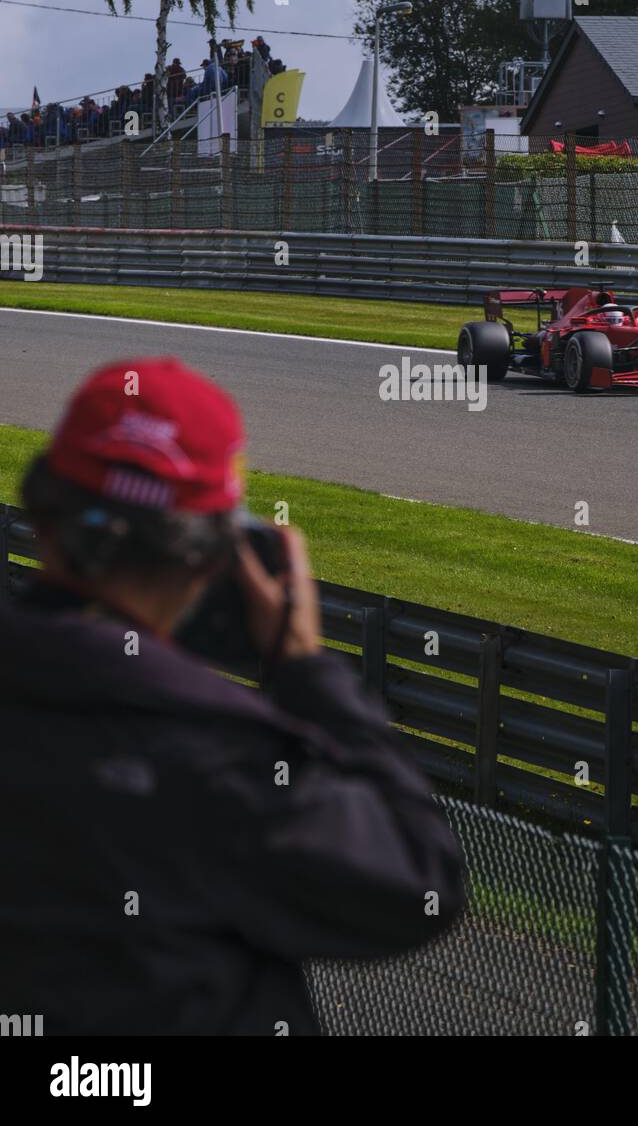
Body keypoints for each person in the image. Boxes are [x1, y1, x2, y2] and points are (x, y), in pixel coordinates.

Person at [0, 358, 464, 1036]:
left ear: (42, 515)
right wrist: (307, 670)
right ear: (215, 556)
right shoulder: (221, 759)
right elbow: (420, 883)